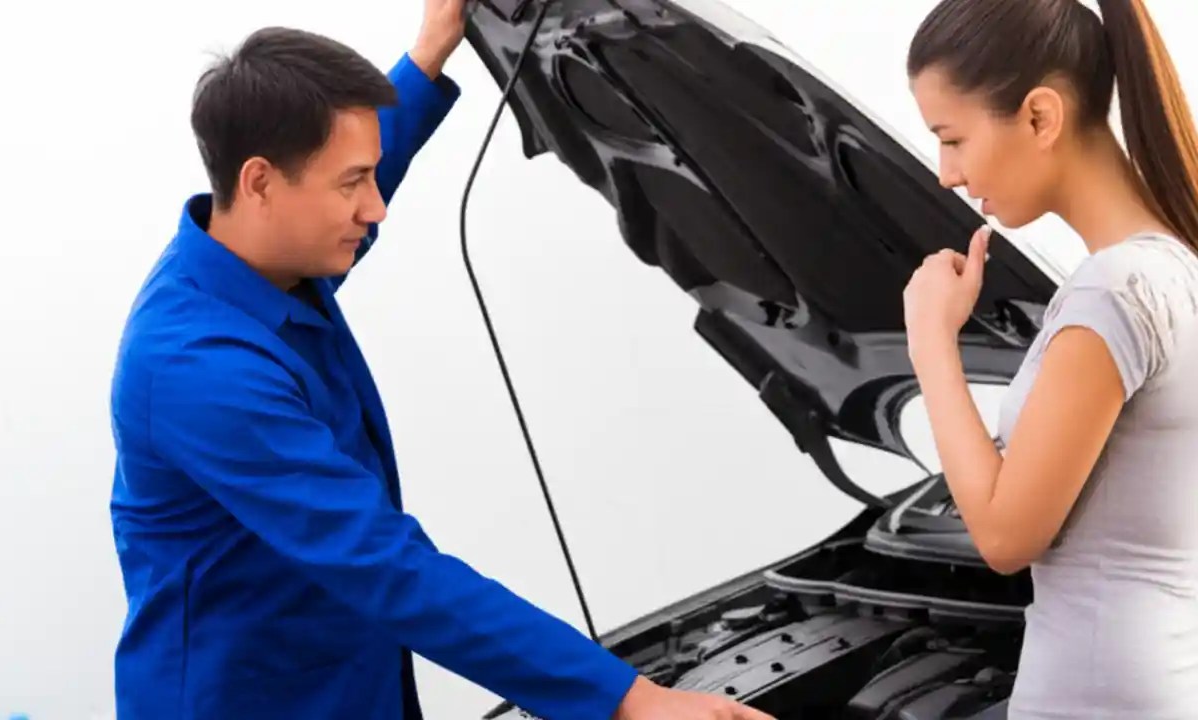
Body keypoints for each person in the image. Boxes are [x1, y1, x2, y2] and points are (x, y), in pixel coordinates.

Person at [107, 3, 775, 719]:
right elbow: (387, 567)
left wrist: (430, 55)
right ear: (261, 182)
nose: (375, 210)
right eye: (351, 184)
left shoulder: (266, 255)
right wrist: (628, 700)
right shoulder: (198, 370)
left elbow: (358, 169)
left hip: (347, 677)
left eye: (368, 177)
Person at [900, 0, 1198, 717]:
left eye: (954, 138)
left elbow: (1005, 536)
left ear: (1039, 117)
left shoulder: (1117, 290)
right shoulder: (1176, 267)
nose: (946, 173)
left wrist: (931, 340)